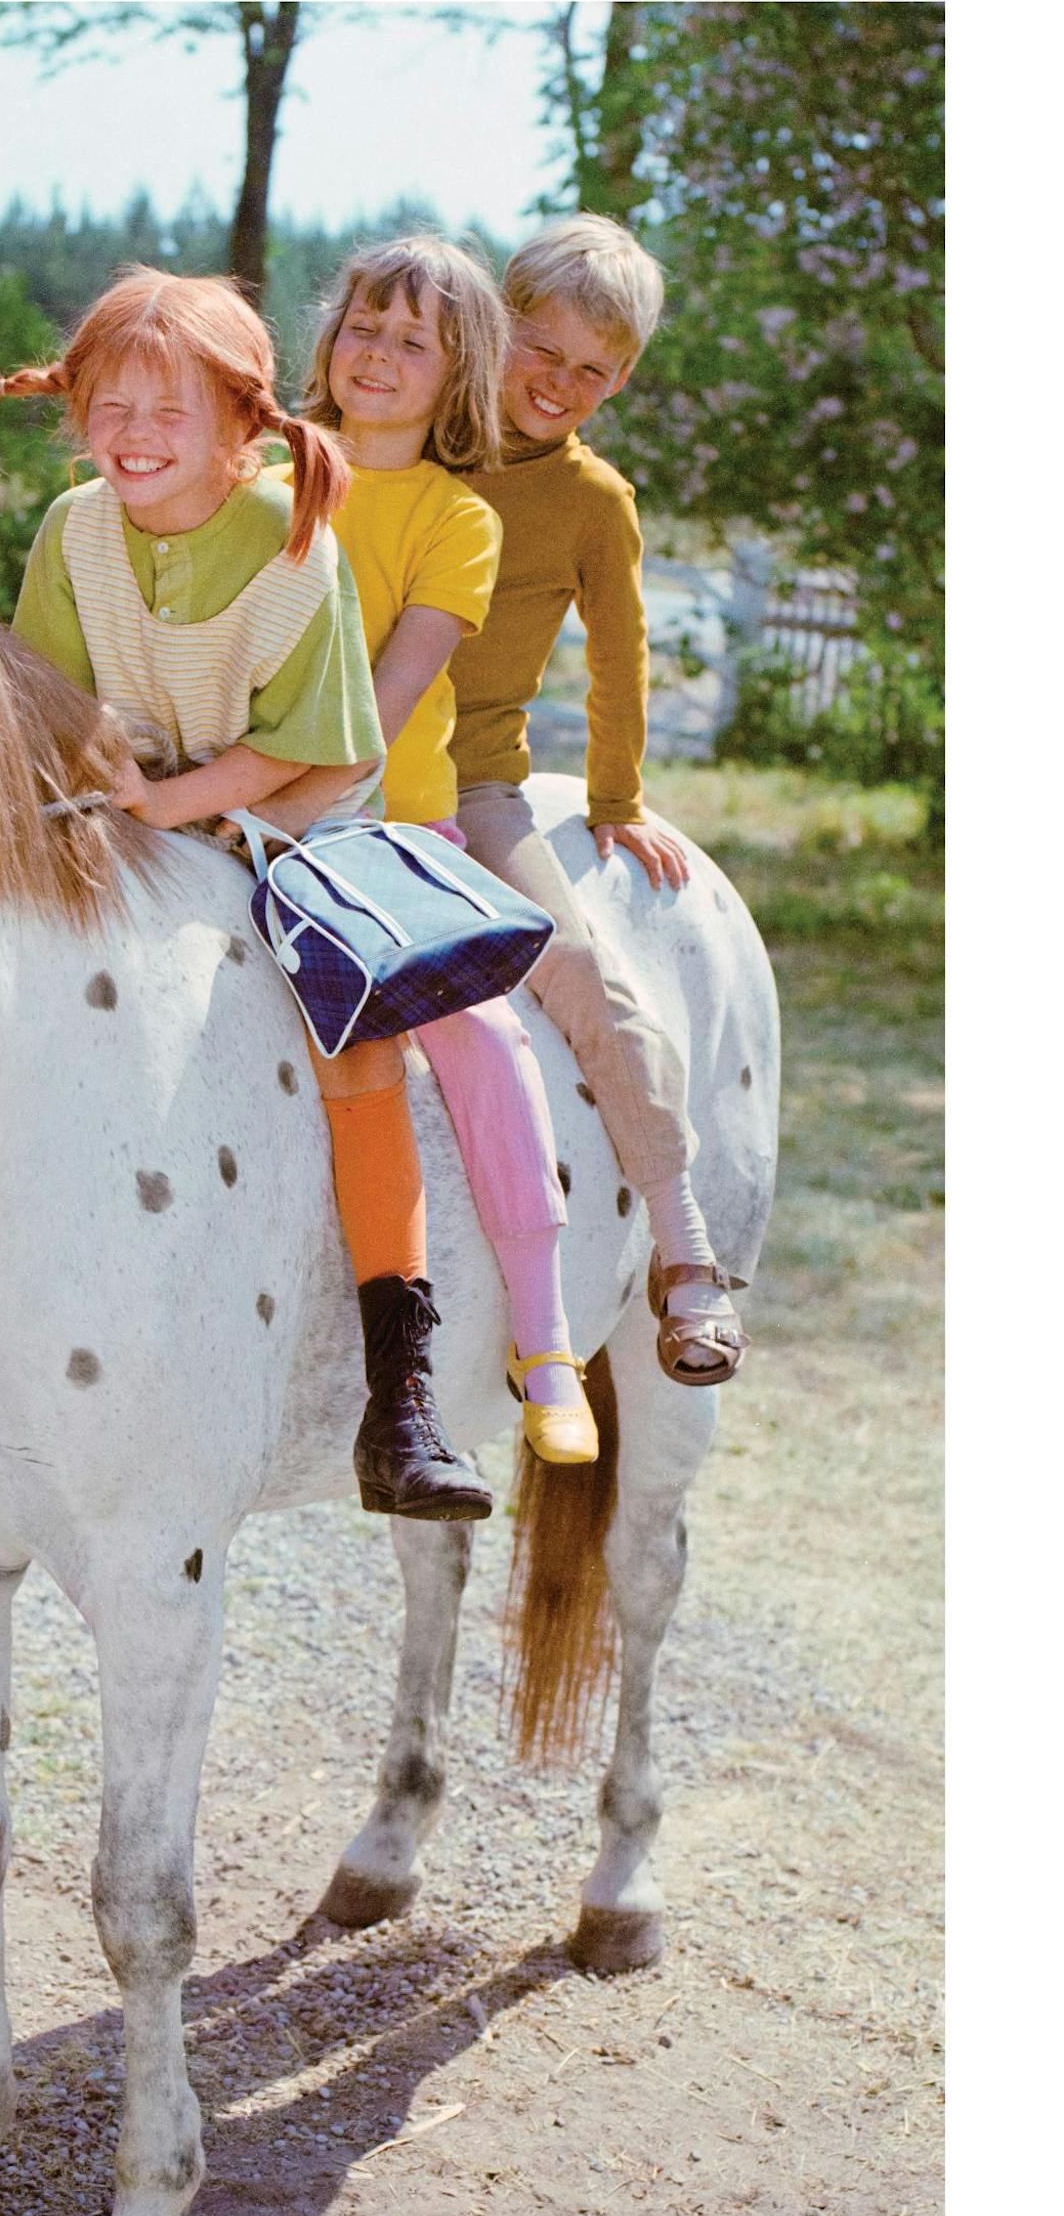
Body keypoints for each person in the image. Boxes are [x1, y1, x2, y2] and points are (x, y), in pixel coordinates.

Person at [0, 265, 492, 1520]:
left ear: (242, 429)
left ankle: (399, 1387)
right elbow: (52, 698)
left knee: (355, 1048)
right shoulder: (74, 531)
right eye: (107, 405)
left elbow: (304, 740)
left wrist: (170, 804)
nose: (129, 435)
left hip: (294, 811)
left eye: (166, 411)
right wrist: (88, 764)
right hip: (140, 792)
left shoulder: (293, 543)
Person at [297, 233, 597, 1465]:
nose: (376, 353)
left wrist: (264, 802)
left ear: (454, 371)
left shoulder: (454, 518)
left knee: (476, 1027)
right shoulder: (263, 472)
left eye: (410, 340)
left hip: (380, 834)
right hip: (230, 813)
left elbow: (377, 705)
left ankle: (542, 1332)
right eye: (362, 326)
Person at [448, 214, 746, 1384]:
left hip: (470, 782)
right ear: (496, 325)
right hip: (312, 761)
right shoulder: (404, 436)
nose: (562, 386)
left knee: (584, 978)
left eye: (595, 372)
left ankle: (682, 1249)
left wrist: (615, 797)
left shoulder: (593, 500)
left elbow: (616, 660)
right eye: (544, 351)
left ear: (619, 380)